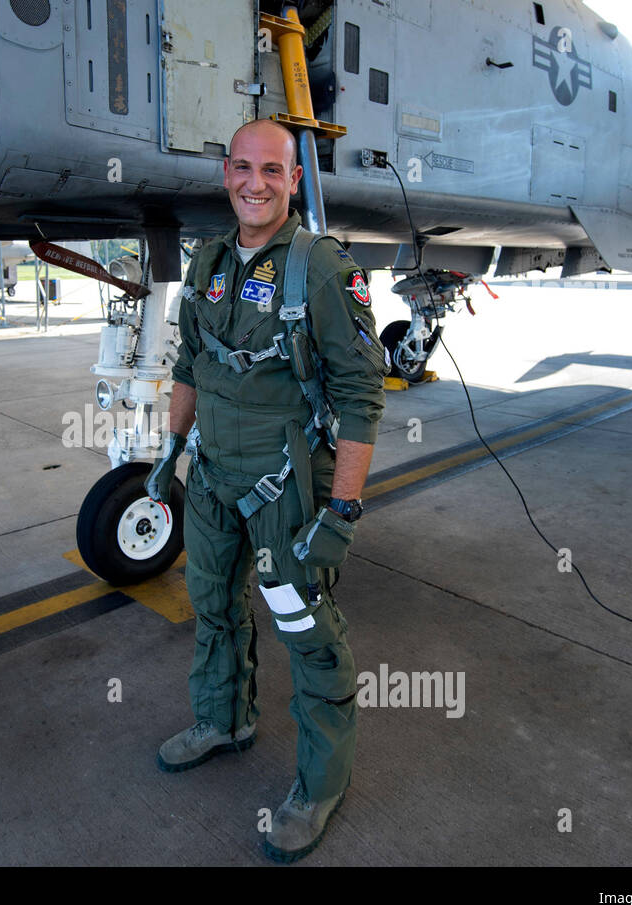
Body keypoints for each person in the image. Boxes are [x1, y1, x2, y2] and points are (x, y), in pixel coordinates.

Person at [145, 118, 387, 863]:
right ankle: (224, 720)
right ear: (226, 176)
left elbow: (360, 394)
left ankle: (318, 784)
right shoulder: (209, 259)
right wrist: (171, 451)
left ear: (295, 180)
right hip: (214, 477)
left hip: (286, 489)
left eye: (273, 171)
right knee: (212, 607)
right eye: (242, 168)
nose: (256, 183)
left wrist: (342, 509)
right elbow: (190, 363)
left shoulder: (319, 266)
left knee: (308, 636)